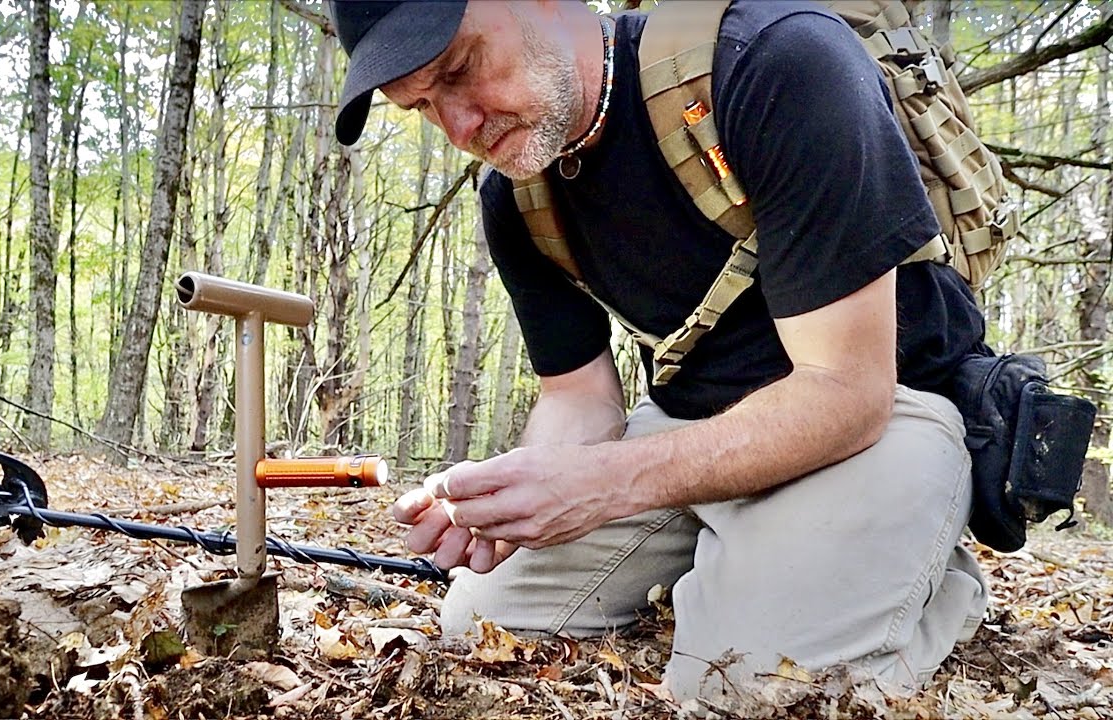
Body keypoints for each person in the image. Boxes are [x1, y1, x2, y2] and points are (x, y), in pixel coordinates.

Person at [328, 0, 990, 698]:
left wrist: (608, 482)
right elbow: (578, 396)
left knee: (745, 685)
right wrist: (510, 497)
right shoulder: (516, 199)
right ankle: (745, 559)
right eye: (423, 106)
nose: (459, 127)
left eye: (461, 68)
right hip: (691, 427)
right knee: (481, 624)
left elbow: (847, 391)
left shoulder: (774, 59)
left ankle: (928, 583)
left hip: (877, 418)